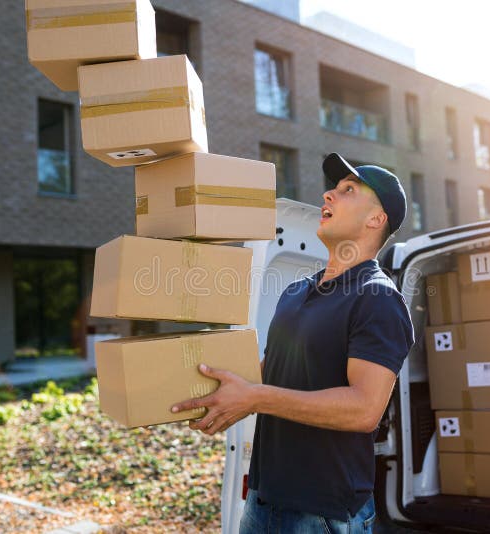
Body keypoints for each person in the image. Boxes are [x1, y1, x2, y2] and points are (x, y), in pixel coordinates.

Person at [171, 153, 415, 533]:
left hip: (322, 515)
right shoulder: (295, 291)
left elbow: (364, 409)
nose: (328, 195)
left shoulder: (377, 298)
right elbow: (267, 375)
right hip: (263, 500)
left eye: (347, 190)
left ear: (375, 220)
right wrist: (208, 397)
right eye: (333, 188)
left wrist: (254, 397)